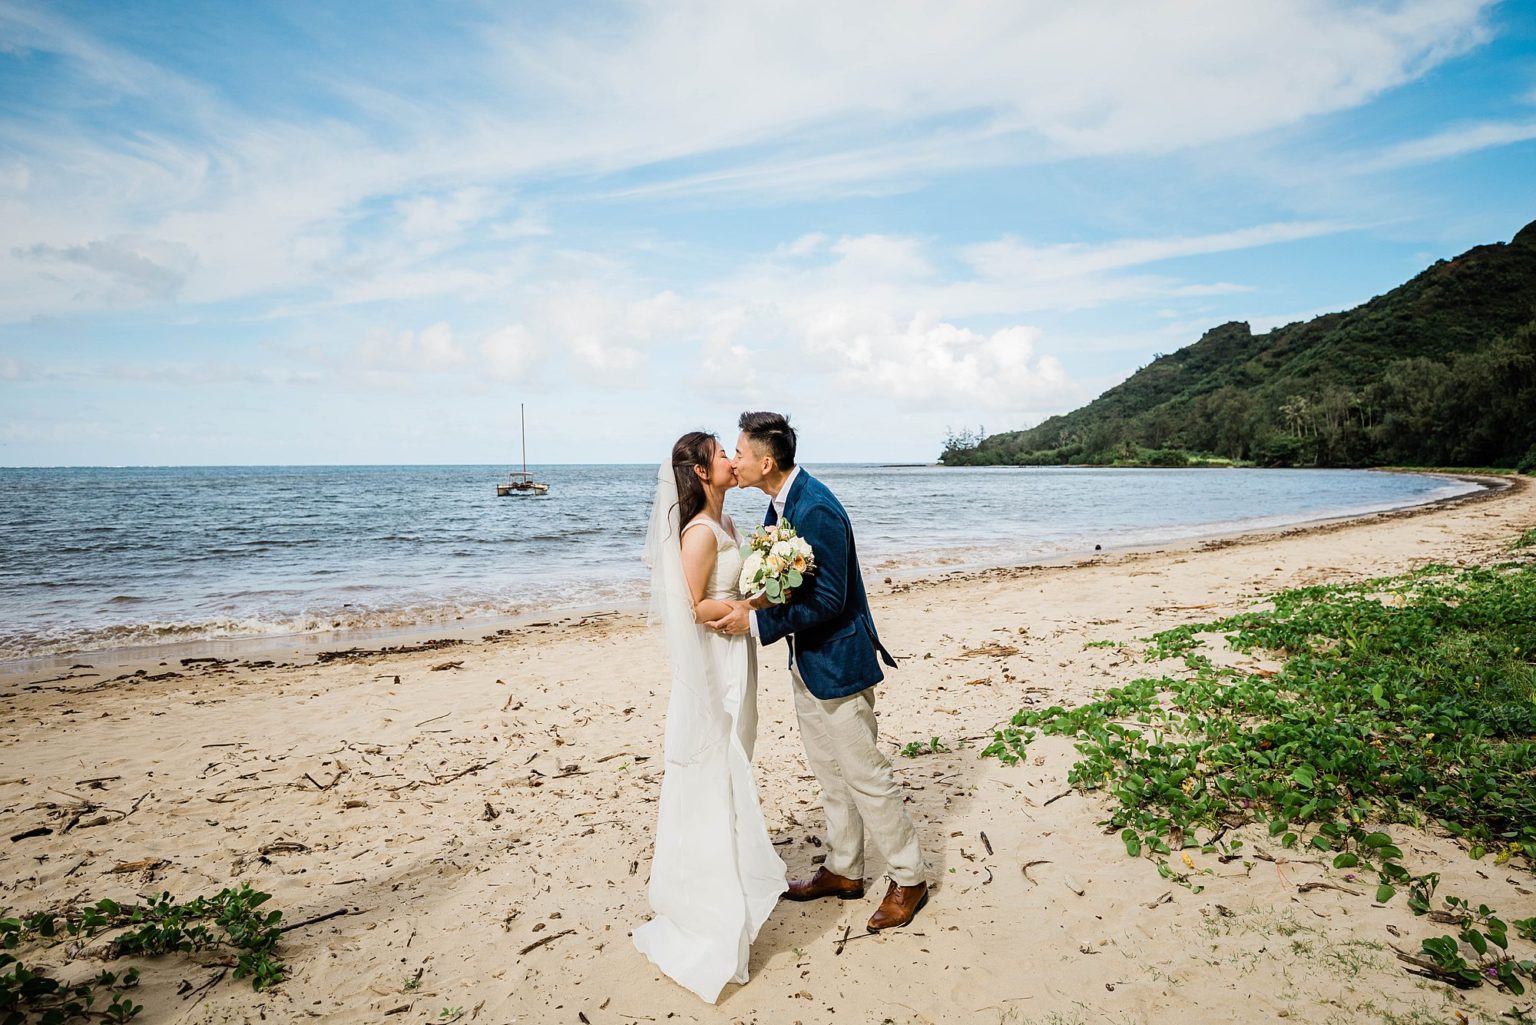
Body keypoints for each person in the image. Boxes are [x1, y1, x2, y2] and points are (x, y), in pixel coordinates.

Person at [708, 411, 928, 933]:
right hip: (806, 659)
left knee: (866, 775)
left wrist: (757, 617)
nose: (733, 462)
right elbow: (784, 583)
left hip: (839, 658)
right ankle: (845, 870)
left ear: (765, 461)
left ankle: (910, 876)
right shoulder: (777, 506)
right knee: (829, 772)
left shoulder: (818, 508)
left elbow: (830, 599)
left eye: (738, 453)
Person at [632, 431, 787, 1003]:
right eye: (721, 453)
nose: (730, 459)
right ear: (700, 472)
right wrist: (748, 605)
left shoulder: (727, 525)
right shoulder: (699, 533)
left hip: (737, 653)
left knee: (735, 761)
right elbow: (692, 606)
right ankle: (709, 902)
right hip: (718, 660)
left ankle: (730, 877)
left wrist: (765, 591)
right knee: (717, 768)